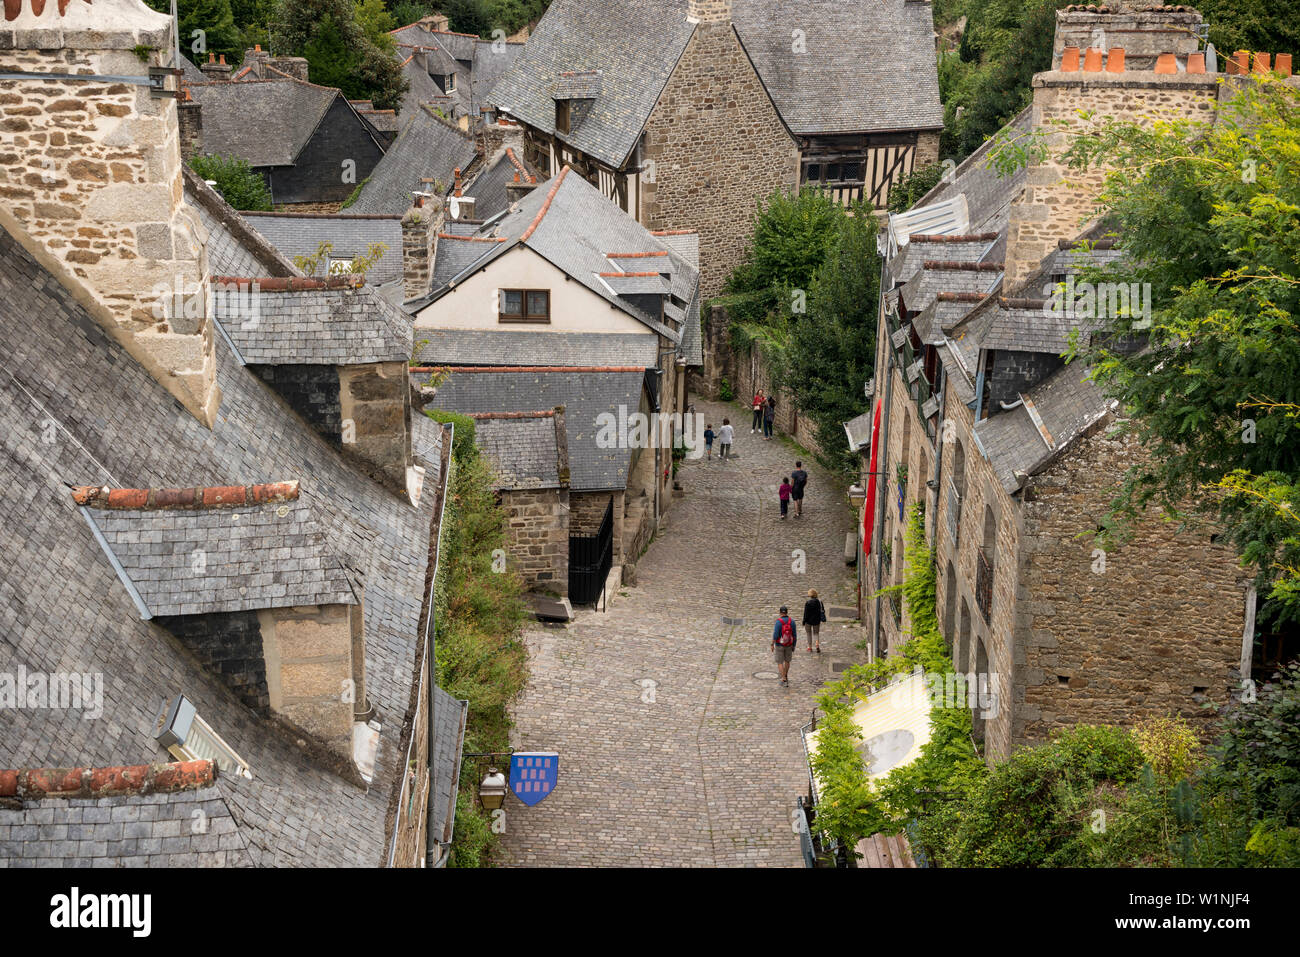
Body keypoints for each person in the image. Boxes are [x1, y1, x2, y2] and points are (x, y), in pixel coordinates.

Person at [772, 606, 797, 686]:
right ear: (787, 612)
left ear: (780, 613)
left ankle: (783, 678)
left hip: (779, 644)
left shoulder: (778, 622)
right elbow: (794, 635)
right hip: (789, 644)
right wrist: (794, 645)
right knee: (787, 661)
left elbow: (775, 635)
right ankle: (785, 675)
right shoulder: (792, 621)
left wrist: (772, 644)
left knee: (780, 662)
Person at [803, 588, 827, 653]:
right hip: (816, 620)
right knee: (816, 633)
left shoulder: (808, 603)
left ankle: (810, 647)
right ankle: (817, 644)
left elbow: (806, 613)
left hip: (808, 621)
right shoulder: (819, 602)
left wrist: (804, 621)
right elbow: (823, 610)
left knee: (808, 633)